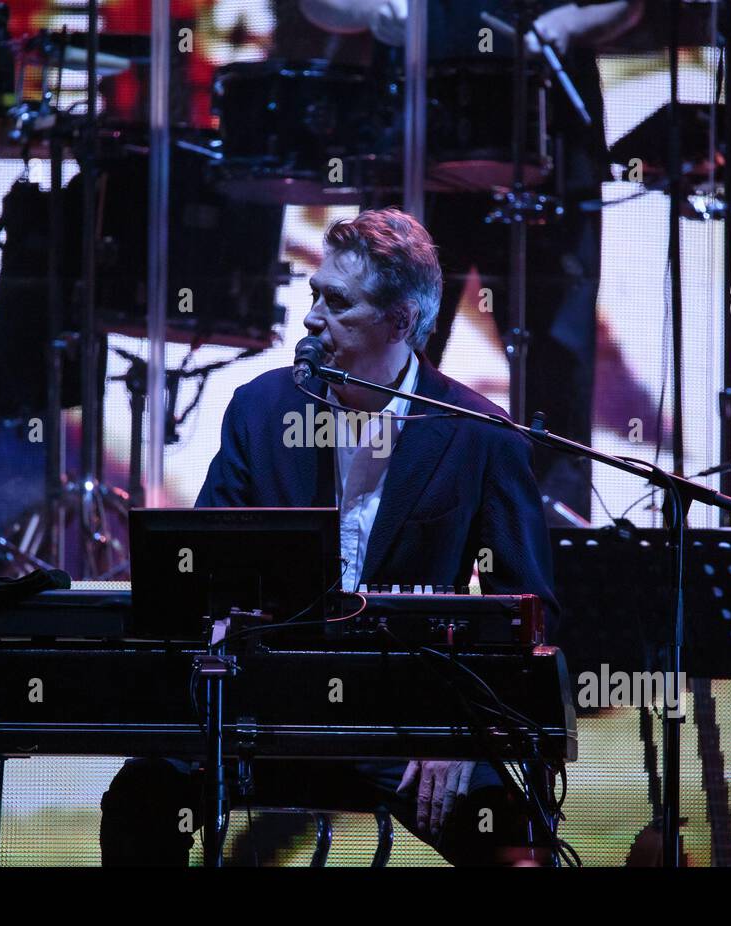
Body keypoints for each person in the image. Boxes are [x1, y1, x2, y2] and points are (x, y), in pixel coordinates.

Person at [100, 208, 559, 865]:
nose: (313, 318)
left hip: (407, 721)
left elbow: (533, 613)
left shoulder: (479, 434)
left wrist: (464, 734)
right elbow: (192, 567)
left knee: (510, 842)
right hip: (265, 711)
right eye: (315, 294)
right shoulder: (263, 409)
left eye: (338, 302)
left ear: (401, 322)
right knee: (140, 800)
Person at [301, 0, 644, 524]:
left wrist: (568, 24)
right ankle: (361, 550)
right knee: (377, 354)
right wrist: (373, 10)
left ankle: (551, 562)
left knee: (556, 365)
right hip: (413, 127)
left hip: (545, 128)